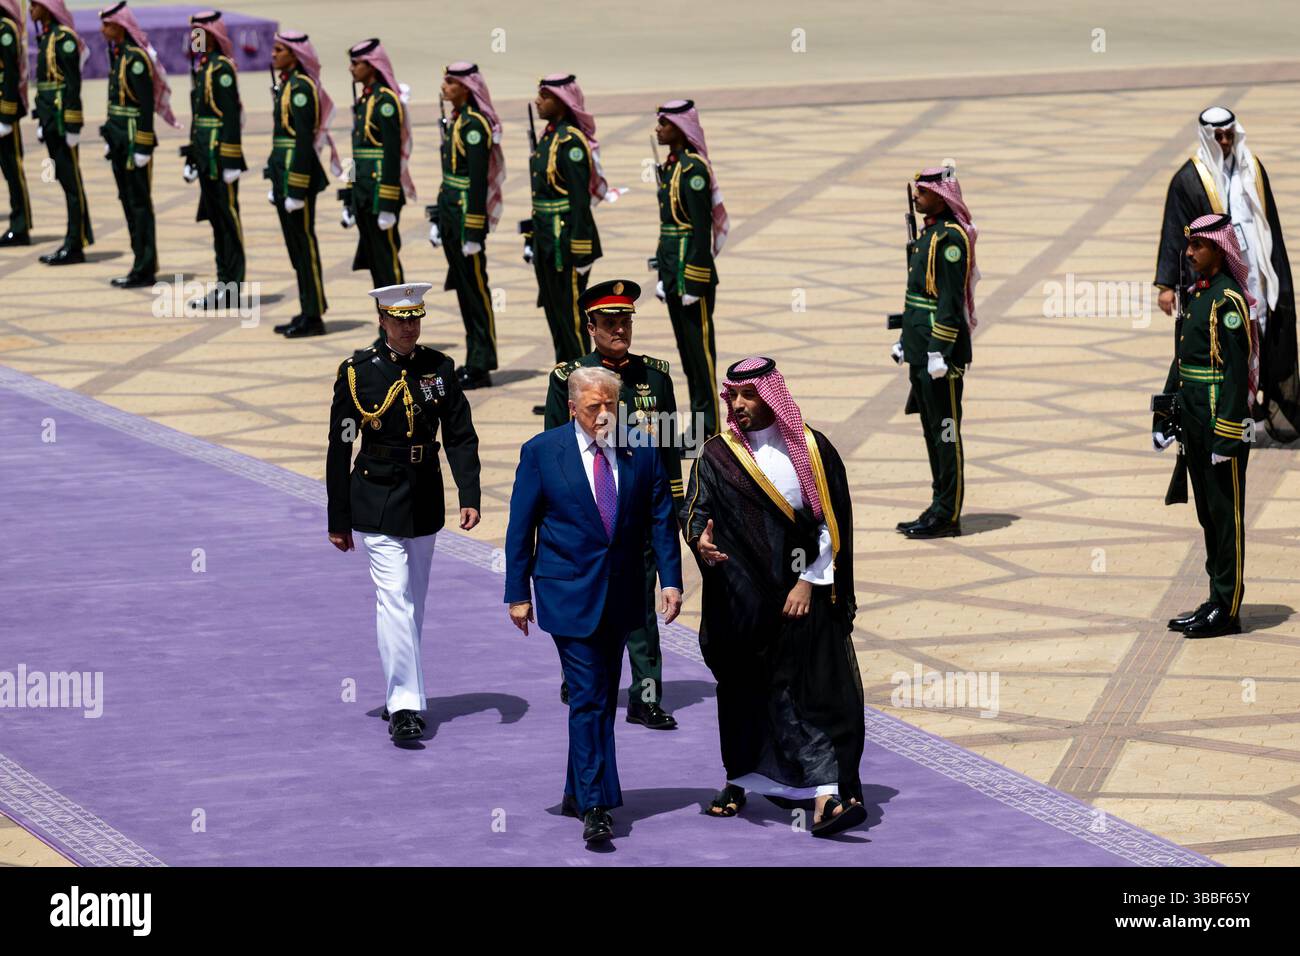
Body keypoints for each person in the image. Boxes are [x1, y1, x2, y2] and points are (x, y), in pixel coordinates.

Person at [681, 357, 866, 837]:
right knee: (743, 695)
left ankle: (828, 794)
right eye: (733, 397)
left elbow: (831, 524)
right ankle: (739, 779)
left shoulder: (813, 449)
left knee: (811, 696)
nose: (738, 406)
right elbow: (694, 509)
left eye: (749, 396)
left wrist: (807, 581)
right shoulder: (717, 455)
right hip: (741, 605)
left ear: (771, 396)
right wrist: (698, 537)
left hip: (800, 601)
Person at [504, 362, 683, 845]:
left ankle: (574, 790)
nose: (603, 415)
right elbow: (521, 527)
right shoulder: (543, 453)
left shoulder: (640, 450)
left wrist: (671, 579)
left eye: (610, 405)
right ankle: (597, 804)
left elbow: (661, 519)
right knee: (587, 697)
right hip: (567, 593)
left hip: (623, 594)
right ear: (571, 407)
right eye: (593, 406)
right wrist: (517, 593)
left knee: (602, 696)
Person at [326, 282, 482, 743]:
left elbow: (459, 434)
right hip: (374, 495)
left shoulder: (439, 368)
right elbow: (341, 445)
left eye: (415, 318)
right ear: (382, 320)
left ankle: (404, 691)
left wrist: (468, 493)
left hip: (424, 495)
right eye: (400, 319)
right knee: (394, 599)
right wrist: (338, 517)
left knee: (411, 604)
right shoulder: (358, 373)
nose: (409, 327)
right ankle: (405, 705)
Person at [543, 279, 683, 728]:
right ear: (590, 326)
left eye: (625, 320)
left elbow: (670, 450)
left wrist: (677, 506)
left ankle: (646, 696)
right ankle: (578, 675)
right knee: (582, 596)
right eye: (609, 322)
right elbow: (553, 448)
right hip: (585, 512)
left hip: (636, 510)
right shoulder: (569, 378)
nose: (619, 329)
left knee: (641, 608)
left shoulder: (655, 376)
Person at [1155, 107, 1297, 443]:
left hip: (1257, 275)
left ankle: (1259, 415)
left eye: (1229, 134)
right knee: (1227, 346)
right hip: (1218, 279)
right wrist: (1167, 285)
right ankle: (1231, 420)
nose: (1224, 141)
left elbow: (1269, 223)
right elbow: (1176, 231)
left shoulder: (1253, 169)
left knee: (1264, 338)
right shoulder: (1189, 178)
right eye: (1217, 136)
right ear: (1206, 136)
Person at [1155, 215, 1258, 639]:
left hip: (1219, 421)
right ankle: (1215, 597)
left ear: (1219, 249)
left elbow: (1237, 374)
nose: (1191, 252)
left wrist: (1228, 434)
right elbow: (1183, 361)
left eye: (1199, 245)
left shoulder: (1228, 301)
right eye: (1191, 245)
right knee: (1207, 515)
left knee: (1225, 513)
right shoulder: (1200, 295)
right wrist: (1165, 413)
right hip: (1196, 418)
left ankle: (1228, 608)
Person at [892, 163, 979, 538]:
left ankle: (948, 512)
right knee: (931, 430)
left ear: (941, 198)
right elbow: (917, 296)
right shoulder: (930, 235)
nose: (917, 196)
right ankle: (937, 503)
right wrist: (905, 341)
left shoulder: (951, 240)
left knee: (946, 432)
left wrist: (939, 350)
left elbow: (948, 301)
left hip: (938, 353)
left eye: (923, 192)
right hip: (920, 346)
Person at [653, 99, 729, 441]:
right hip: (673, 270)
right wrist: (662, 275)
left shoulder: (693, 170)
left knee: (701, 354)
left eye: (664, 124)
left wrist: (694, 280)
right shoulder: (672, 166)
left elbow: (700, 228)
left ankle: (709, 425)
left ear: (680, 129)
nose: (658, 129)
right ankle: (698, 423)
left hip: (690, 273)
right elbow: (668, 226)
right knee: (687, 353)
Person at [526, 73, 607, 367]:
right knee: (555, 314)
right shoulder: (550, 136)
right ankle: (565, 389)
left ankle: (582, 390)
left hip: (567, 245)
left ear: (560, 102)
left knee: (571, 318)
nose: (538, 101)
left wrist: (583, 249)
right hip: (548, 240)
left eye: (544, 96)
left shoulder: (570, 141)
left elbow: (579, 201)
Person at [433, 62, 505, 391]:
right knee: (463, 290)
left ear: (466, 88)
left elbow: (477, 182)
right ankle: (473, 356)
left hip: (466, 218)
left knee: (476, 292)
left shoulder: (474, 125)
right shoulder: (457, 121)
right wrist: (439, 220)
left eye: (451, 82)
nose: (444, 87)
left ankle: (482, 361)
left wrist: (474, 230)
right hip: (452, 214)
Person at [98, 2, 179, 289]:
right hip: (120, 137)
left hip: (134, 138)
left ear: (120, 26)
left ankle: (145, 265)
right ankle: (139, 262)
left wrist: (143, 145)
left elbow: (145, 106)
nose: (102, 29)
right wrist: (111, 136)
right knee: (127, 201)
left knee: (139, 203)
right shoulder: (118, 55)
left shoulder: (135, 59)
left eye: (107, 24)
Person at [267, 31, 340, 338]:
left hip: (298, 177)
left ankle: (314, 314)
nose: (273, 55)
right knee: (295, 247)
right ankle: (306, 308)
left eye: (279, 50)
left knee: (305, 245)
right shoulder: (287, 84)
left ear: (294, 55)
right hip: (283, 173)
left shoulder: (300, 88)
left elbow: (302, 140)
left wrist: (296, 188)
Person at [184, 10, 245, 310]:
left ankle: (232, 286)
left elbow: (230, 117)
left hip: (221, 158)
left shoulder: (221, 69)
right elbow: (198, 118)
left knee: (228, 223)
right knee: (216, 223)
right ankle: (223, 284)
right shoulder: (203, 67)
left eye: (200, 33)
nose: (195, 38)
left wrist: (232, 160)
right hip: (206, 158)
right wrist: (192, 157)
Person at [344, 39, 411, 311]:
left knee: (388, 265)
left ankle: (402, 322)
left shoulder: (384, 101)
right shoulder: (366, 99)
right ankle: (386, 332)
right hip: (363, 194)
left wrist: (387, 204)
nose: (351, 69)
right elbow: (357, 152)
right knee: (376, 266)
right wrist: (350, 195)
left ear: (371, 66)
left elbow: (392, 155)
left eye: (356, 64)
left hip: (379, 196)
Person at [31, 0, 91, 265]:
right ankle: (74, 238)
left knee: (71, 183)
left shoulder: (64, 38)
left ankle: (75, 242)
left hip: (62, 121)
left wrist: (73, 124)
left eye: (34, 5)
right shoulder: (47, 36)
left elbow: (71, 84)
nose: (31, 10)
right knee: (65, 181)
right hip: (50, 119)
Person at [0, 0, 33, 246]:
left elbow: (10, 75)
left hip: (3, 113)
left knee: (13, 170)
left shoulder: (5, 31)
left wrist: (6, 116)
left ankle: (20, 225)